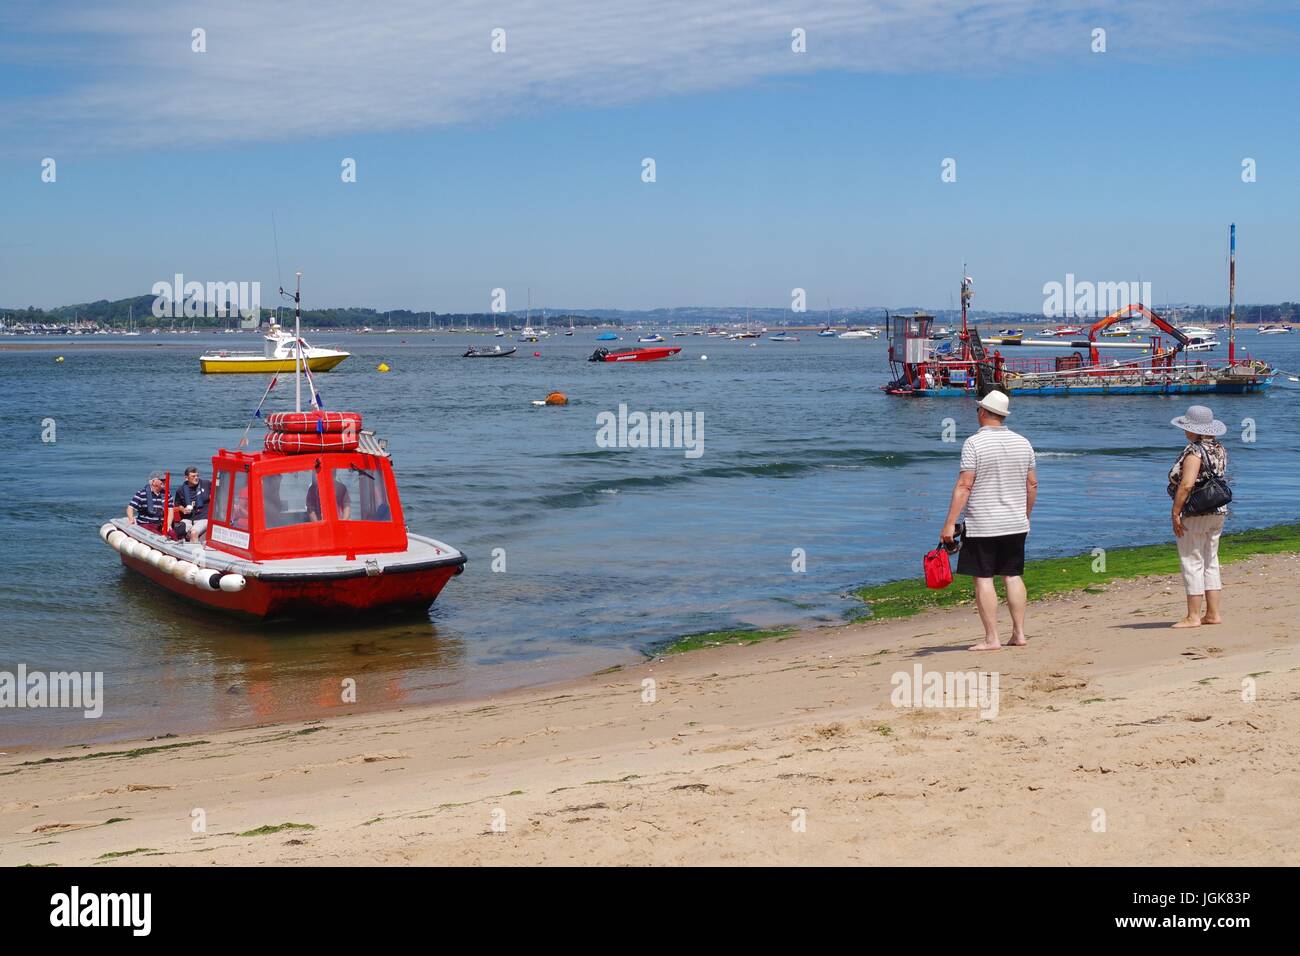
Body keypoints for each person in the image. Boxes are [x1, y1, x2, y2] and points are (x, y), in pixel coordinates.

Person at [940, 390, 1038, 650]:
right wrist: (1025, 517)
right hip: (1015, 523)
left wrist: (950, 522)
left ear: (983, 412)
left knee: (983, 578)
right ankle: (1018, 634)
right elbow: (1032, 485)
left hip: (983, 523)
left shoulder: (974, 443)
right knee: (1012, 575)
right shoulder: (1023, 442)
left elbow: (964, 485)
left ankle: (992, 638)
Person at [1167, 405, 1229, 628]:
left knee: (1192, 561)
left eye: (1187, 427)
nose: (1184, 431)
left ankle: (1193, 616)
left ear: (1194, 430)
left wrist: (1175, 512)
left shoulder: (1194, 451)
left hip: (1195, 512)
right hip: (1218, 511)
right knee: (1211, 560)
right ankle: (1213, 614)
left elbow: (1186, 484)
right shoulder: (1219, 449)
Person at [172, 466, 211, 542]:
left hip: (203, 519)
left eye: (197, 476)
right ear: (186, 478)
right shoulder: (180, 490)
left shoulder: (206, 484)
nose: (196, 478)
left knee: (193, 533)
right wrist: (183, 510)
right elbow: (178, 505)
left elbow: (219, 485)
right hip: (188, 519)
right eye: (193, 476)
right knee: (178, 530)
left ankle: (194, 552)